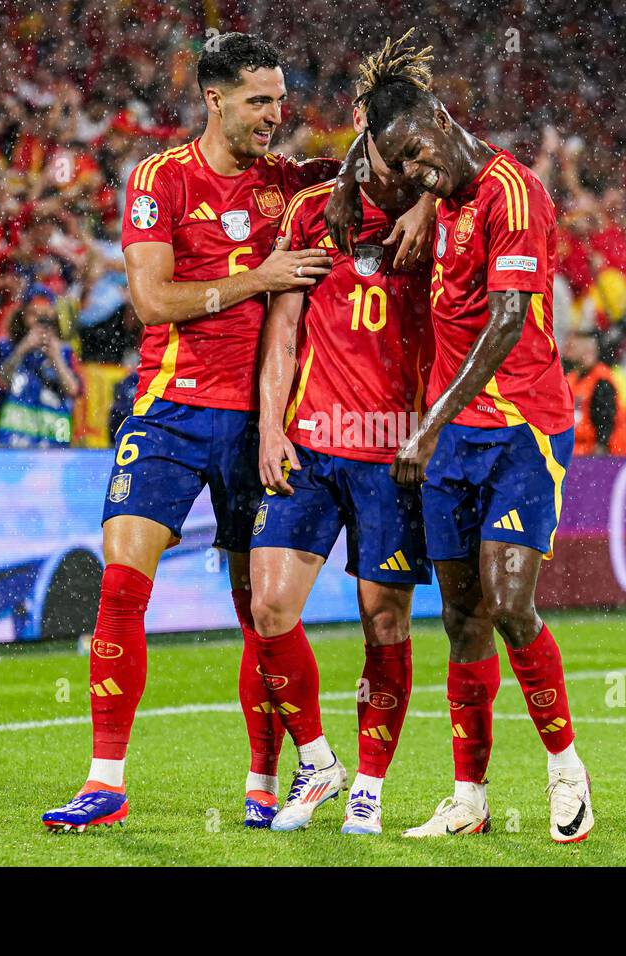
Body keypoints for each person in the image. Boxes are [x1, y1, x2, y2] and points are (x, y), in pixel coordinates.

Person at [41, 31, 434, 834]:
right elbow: (151, 300)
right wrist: (255, 278)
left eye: (280, 101)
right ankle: (106, 779)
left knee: (259, 609)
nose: (276, 116)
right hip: (171, 409)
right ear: (214, 98)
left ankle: (264, 780)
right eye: (260, 101)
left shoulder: (288, 184)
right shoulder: (160, 180)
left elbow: (404, 159)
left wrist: (428, 195)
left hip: (260, 424)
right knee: (122, 580)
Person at [327, 31, 593, 843]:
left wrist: (427, 429)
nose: (413, 173)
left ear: (444, 118)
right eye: (399, 165)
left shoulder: (516, 195)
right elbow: (383, 144)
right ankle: (469, 798)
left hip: (519, 432)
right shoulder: (433, 195)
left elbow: (510, 321)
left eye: (418, 155)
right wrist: (350, 172)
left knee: (512, 605)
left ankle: (565, 770)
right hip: (452, 444)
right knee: (463, 620)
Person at [249, 44, 435, 835]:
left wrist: (428, 198)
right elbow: (282, 330)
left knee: (384, 624)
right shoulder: (313, 208)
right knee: (268, 607)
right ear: (360, 123)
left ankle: (371, 786)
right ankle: (319, 763)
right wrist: (270, 425)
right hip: (314, 446)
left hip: (394, 454)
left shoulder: (446, 208)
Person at [0, 294, 82, 448]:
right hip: (11, 444)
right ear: (23, 315)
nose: (40, 321)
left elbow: (74, 390)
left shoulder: (65, 352)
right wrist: (22, 349)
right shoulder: (4, 347)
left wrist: (56, 359)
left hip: (54, 446)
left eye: (46, 316)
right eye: (34, 314)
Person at [567, 330, 626, 456]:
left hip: (612, 452)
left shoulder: (601, 379)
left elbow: (606, 417)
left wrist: (601, 446)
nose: (568, 350)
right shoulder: (572, 378)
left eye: (573, 347)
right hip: (581, 448)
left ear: (588, 352)